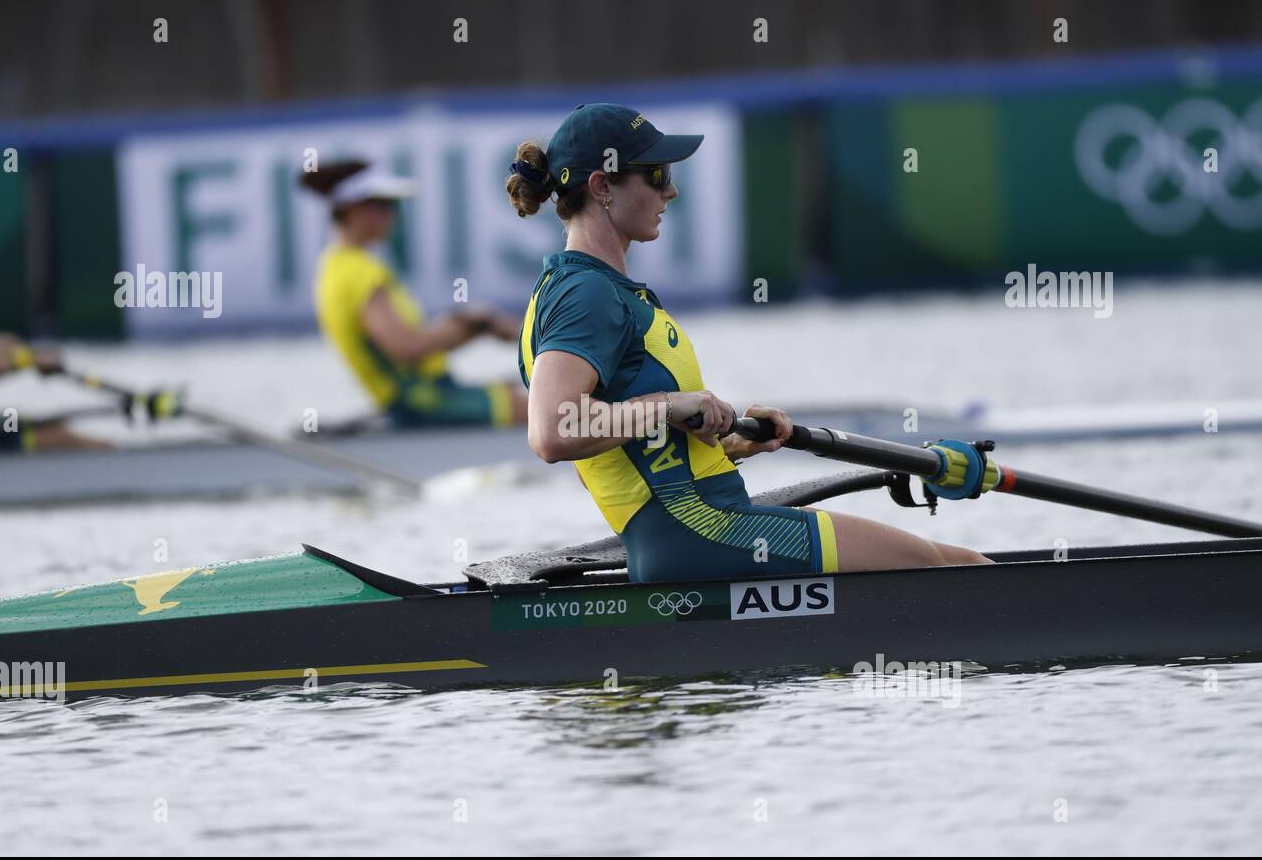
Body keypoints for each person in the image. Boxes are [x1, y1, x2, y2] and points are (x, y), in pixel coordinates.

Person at [505, 103, 990, 582]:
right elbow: (552, 431)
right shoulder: (585, 293)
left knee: (946, 565)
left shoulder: (589, 288)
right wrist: (672, 404)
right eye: (655, 174)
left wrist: (732, 441)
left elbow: (643, 456)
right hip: (705, 531)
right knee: (957, 569)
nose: (670, 190)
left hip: (693, 538)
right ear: (602, 186)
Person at [301, 161, 527, 429]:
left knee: (531, 394)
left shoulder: (334, 266)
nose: (392, 215)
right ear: (352, 208)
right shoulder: (358, 272)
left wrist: (472, 324)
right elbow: (407, 348)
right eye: (383, 205)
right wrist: (479, 324)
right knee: (556, 413)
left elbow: (411, 346)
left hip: (424, 396)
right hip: (424, 403)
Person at [0, 329, 107, 451]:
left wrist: (25, 351)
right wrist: (24, 360)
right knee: (52, 434)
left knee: (50, 425)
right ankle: (113, 462)